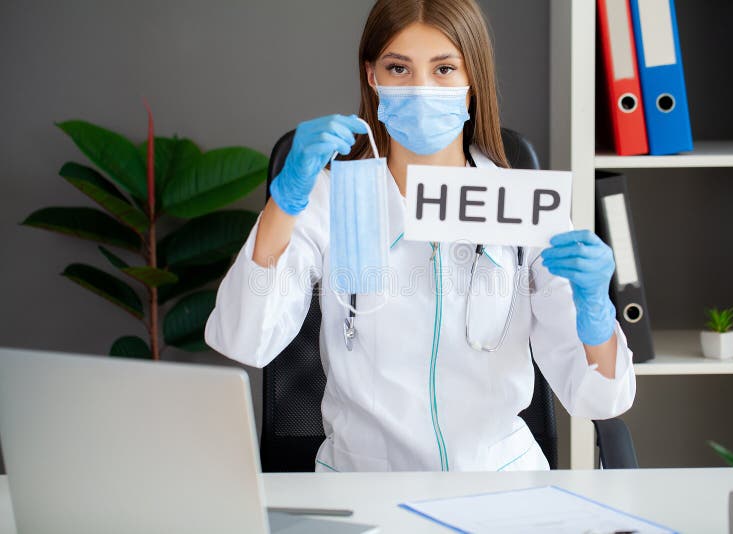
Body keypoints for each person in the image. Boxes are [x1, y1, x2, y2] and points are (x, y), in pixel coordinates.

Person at [204, 0, 636, 472]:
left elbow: (601, 400)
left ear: (473, 82)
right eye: (399, 68)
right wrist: (284, 203)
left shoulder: (522, 206)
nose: (421, 89)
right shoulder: (334, 199)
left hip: (499, 487)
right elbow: (244, 339)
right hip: (364, 484)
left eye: (444, 68)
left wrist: (595, 310)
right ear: (372, 76)